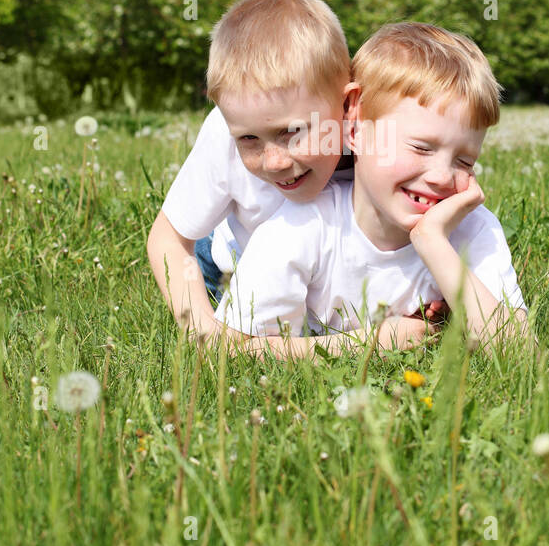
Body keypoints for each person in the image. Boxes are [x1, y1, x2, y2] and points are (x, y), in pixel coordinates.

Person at [216, 21, 527, 359]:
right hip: (225, 248)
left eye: (465, 162)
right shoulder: (300, 229)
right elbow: (231, 350)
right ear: (356, 128)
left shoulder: (472, 227)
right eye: (421, 148)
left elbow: (519, 355)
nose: (442, 177)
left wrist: (433, 242)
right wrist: (366, 344)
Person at [146, 0, 355, 339]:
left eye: (292, 132)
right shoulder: (222, 134)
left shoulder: (378, 139)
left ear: (348, 106)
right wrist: (203, 329)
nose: (274, 161)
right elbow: (167, 239)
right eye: (249, 139)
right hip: (236, 258)